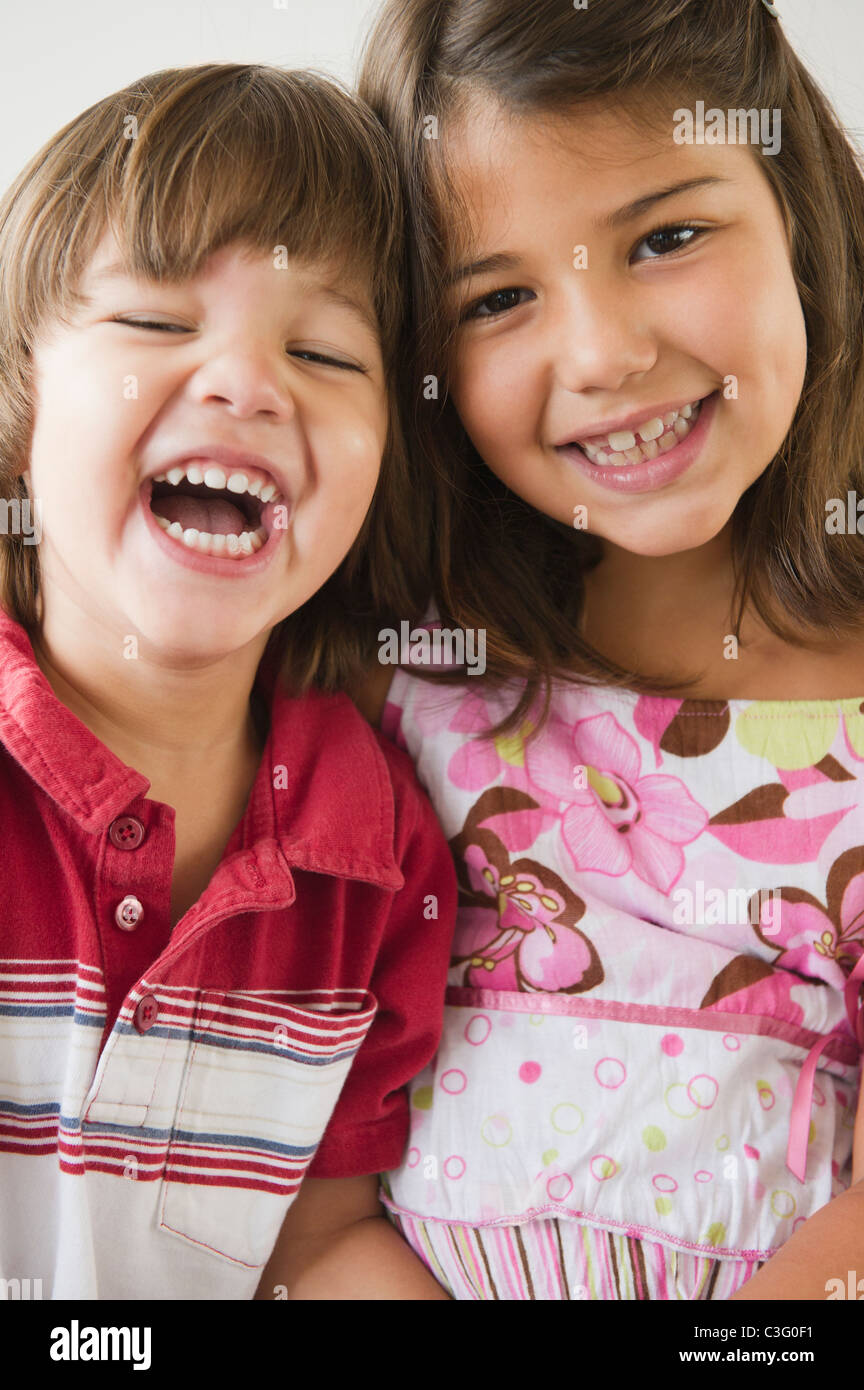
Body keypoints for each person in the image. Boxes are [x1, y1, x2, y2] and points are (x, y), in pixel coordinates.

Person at [356, 0, 864, 1298]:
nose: (604, 352)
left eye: (669, 235)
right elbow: (305, 1198)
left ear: (797, 212)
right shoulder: (392, 670)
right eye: (501, 297)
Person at [0, 62, 456, 1300]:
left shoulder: (381, 857)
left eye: (323, 351)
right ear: (22, 404)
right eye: (154, 323)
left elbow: (318, 1244)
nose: (250, 383)